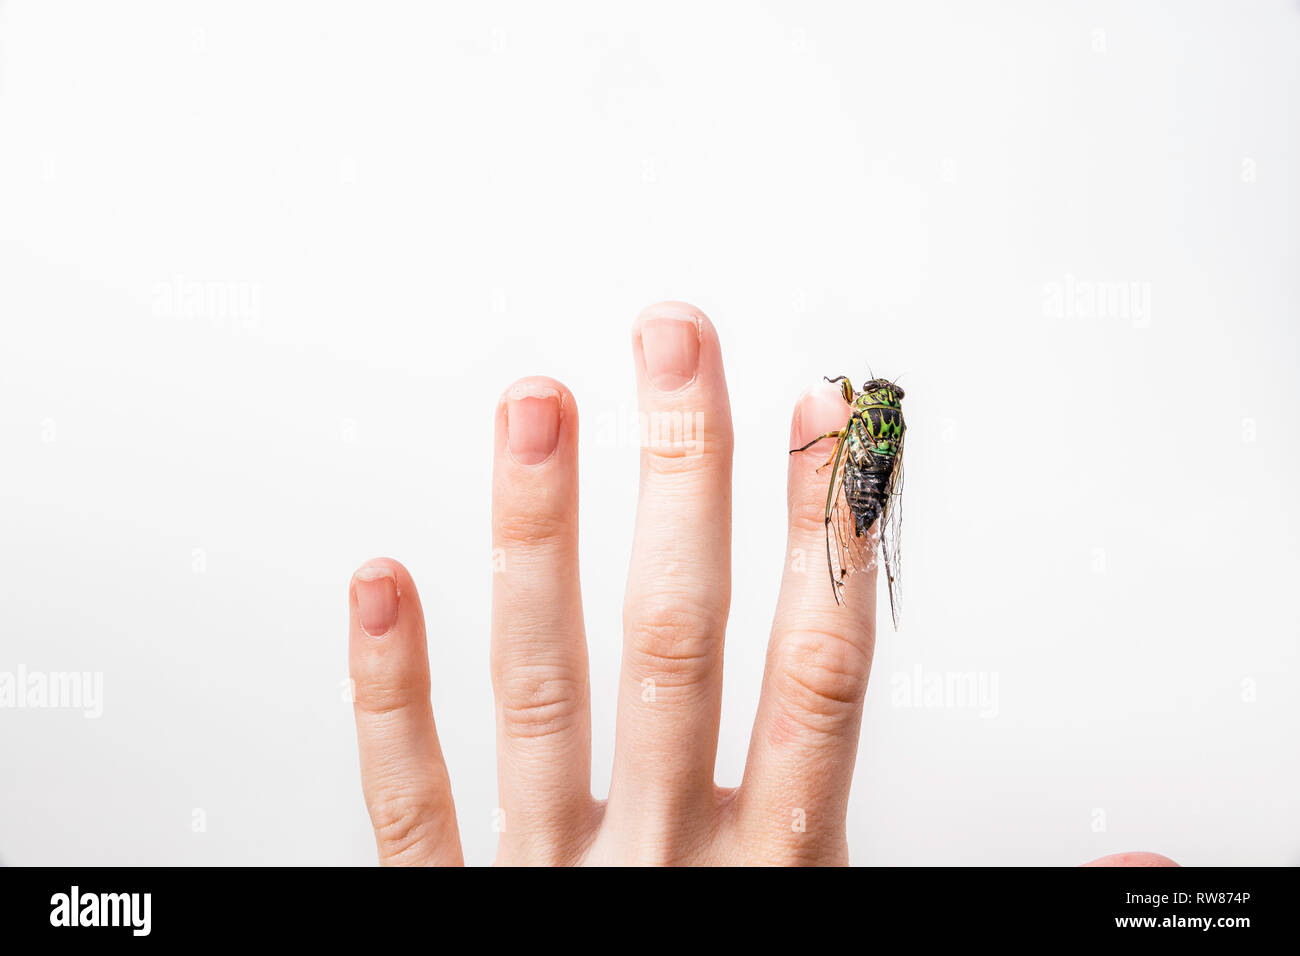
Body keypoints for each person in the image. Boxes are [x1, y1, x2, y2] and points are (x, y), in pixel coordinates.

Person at [345, 301, 1177, 867]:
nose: (877, 404)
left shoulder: (870, 427)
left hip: (853, 481)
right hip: (852, 473)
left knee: (824, 625)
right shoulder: (874, 418)